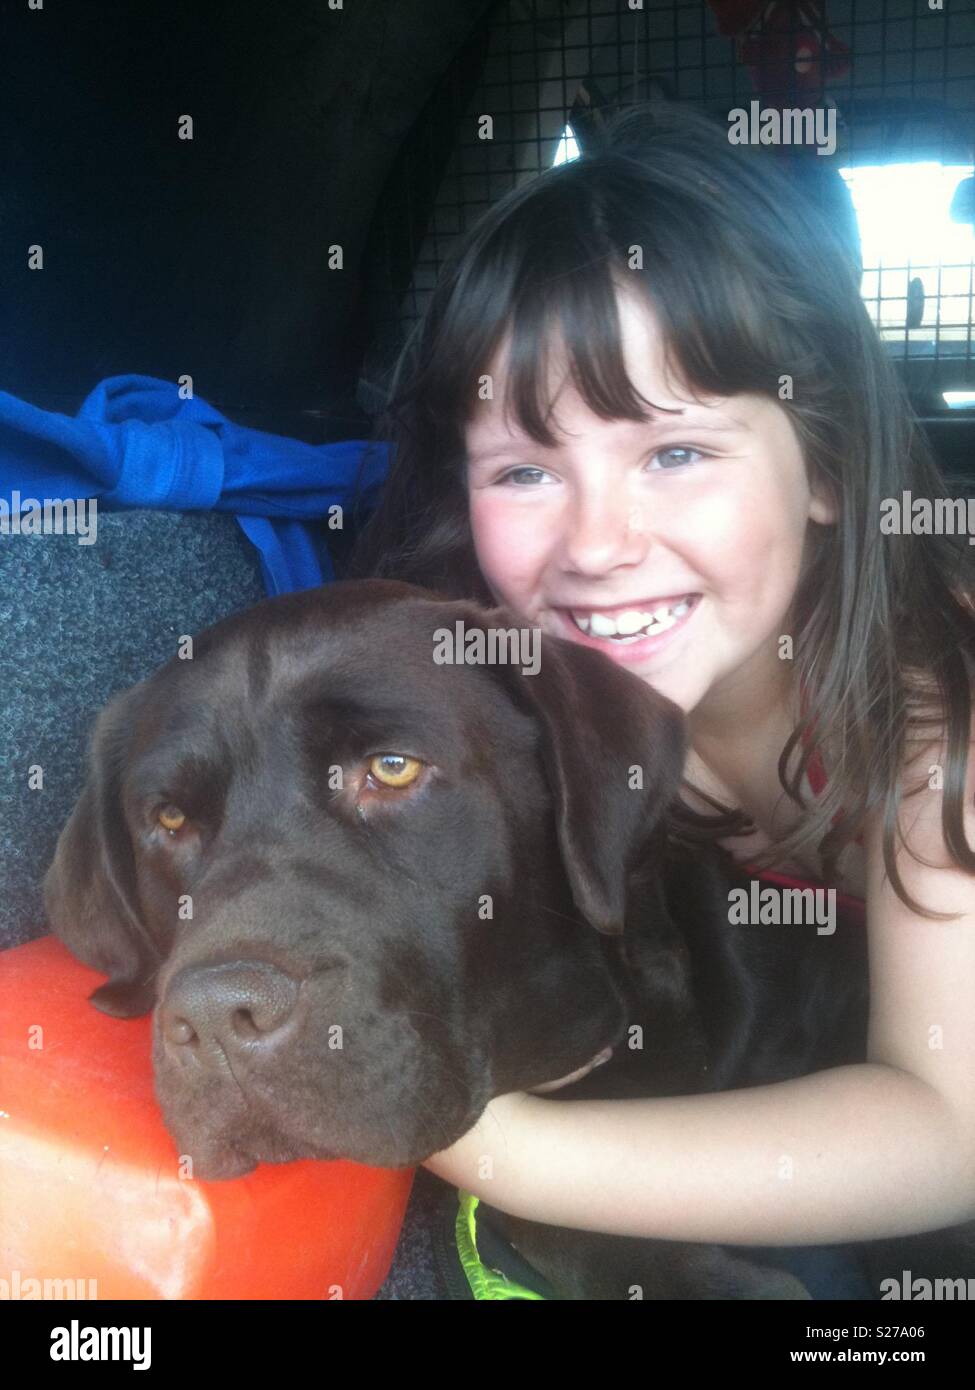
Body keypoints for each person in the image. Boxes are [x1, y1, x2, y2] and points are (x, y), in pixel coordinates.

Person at [348, 102, 975, 1290]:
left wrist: (492, 1144)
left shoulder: (939, 724)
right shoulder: (509, 687)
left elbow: (949, 1129)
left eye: (676, 453)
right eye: (524, 470)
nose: (598, 543)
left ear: (828, 467)